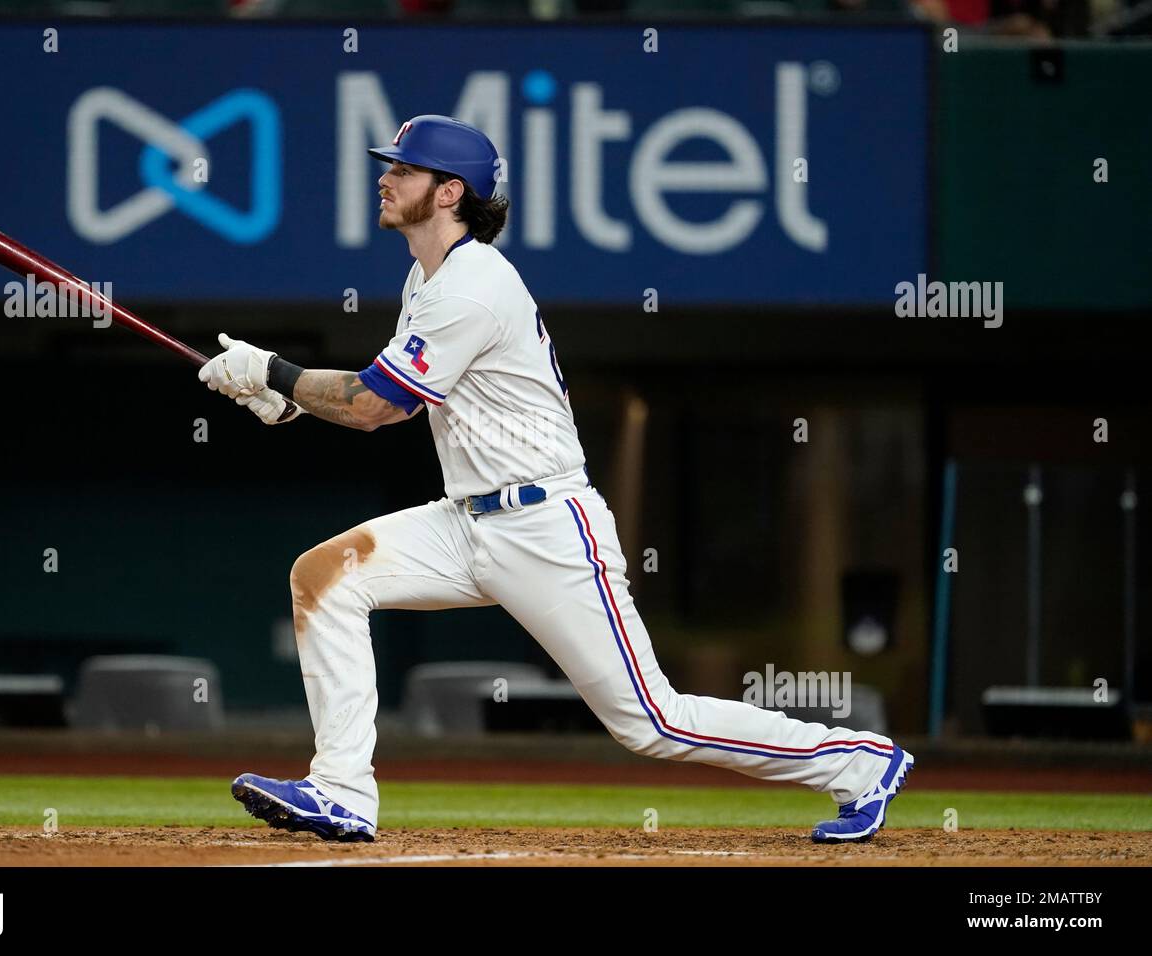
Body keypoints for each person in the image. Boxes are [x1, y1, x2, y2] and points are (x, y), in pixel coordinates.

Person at [197, 115, 913, 844]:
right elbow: (386, 397)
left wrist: (275, 372)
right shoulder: (428, 276)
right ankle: (342, 790)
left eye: (404, 171)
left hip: (545, 523)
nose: (385, 178)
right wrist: (287, 403)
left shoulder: (471, 286)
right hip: (465, 518)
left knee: (651, 721)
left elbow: (379, 407)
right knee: (325, 576)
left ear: (450, 193)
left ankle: (858, 762)